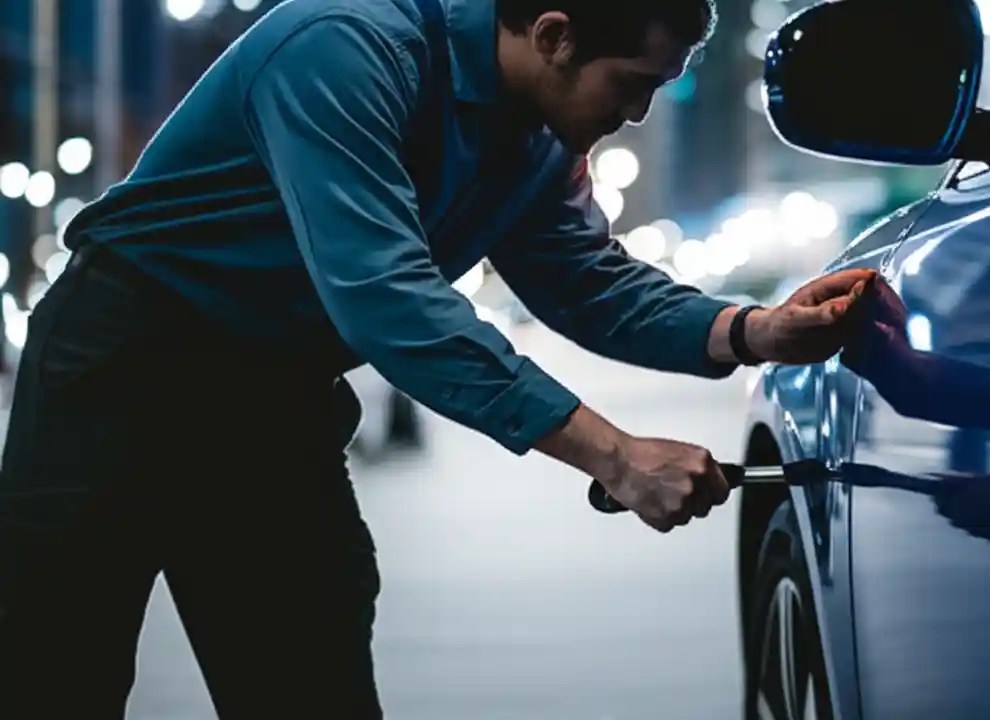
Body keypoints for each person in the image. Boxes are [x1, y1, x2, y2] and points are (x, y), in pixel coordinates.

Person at [0, 0, 872, 716]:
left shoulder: (539, 139)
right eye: (635, 84)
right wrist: (616, 455)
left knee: (308, 681)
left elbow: (587, 281)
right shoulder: (343, 48)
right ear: (555, 35)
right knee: (57, 679)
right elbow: (385, 294)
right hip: (120, 370)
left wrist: (752, 331)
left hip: (272, 396)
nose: (637, 113)